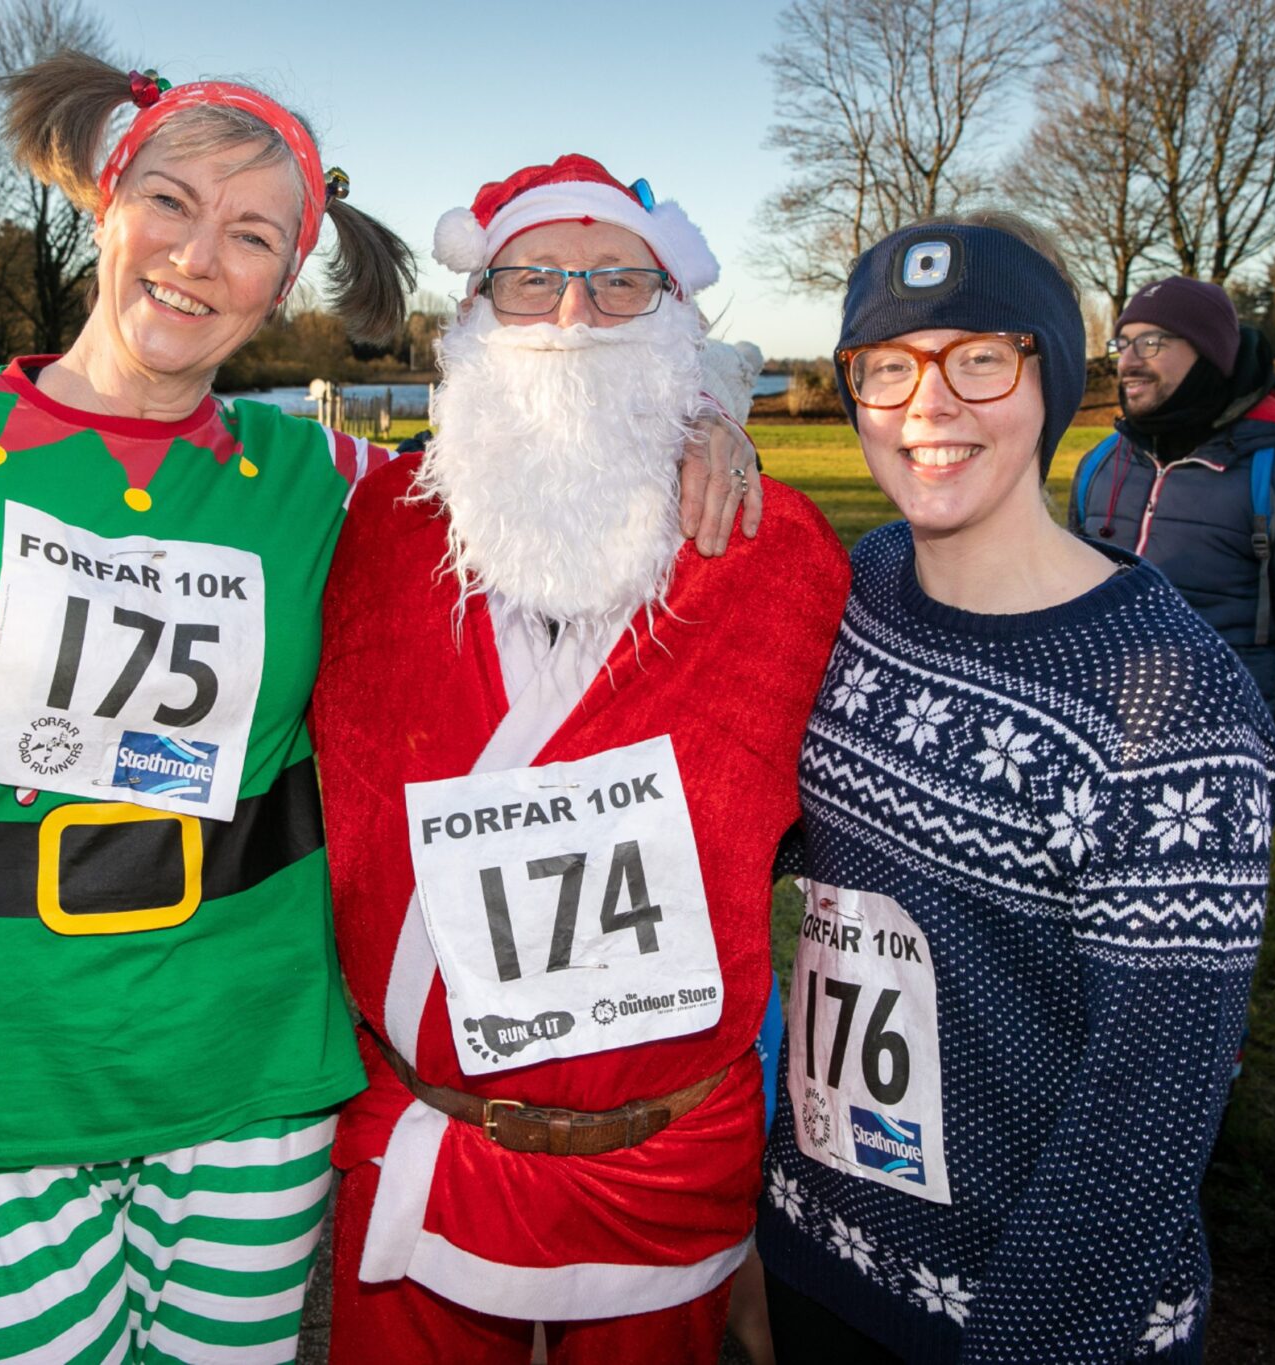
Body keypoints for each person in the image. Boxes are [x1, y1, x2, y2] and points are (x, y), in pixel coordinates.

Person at [0, 61, 758, 1362]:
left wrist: (702, 407)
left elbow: (551, 434)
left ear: (284, 283)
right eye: (171, 201)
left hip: (253, 1090)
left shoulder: (328, 478)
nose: (198, 256)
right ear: (106, 204)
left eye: (253, 235)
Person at [310, 154, 851, 1364]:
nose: (569, 312)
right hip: (428, 1140)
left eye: (618, 282)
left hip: (662, 1159)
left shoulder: (775, 552)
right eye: (530, 278)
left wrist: (715, 416)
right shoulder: (371, 527)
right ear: (470, 310)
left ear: (676, 317)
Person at [754, 216, 1275, 1363]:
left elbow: (1144, 1116)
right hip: (811, 1257)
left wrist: (1027, 1340)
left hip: (1021, 1312)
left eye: (980, 359)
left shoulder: (1169, 709)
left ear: (1053, 382)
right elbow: (768, 830)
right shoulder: (863, 586)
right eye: (887, 367)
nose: (927, 407)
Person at [1070, 276, 1275, 749]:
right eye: (1122, 343)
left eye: (1151, 342)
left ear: (1210, 352)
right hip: (1095, 737)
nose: (1129, 361)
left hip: (1222, 753)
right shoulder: (1100, 464)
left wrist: (1266, 746)